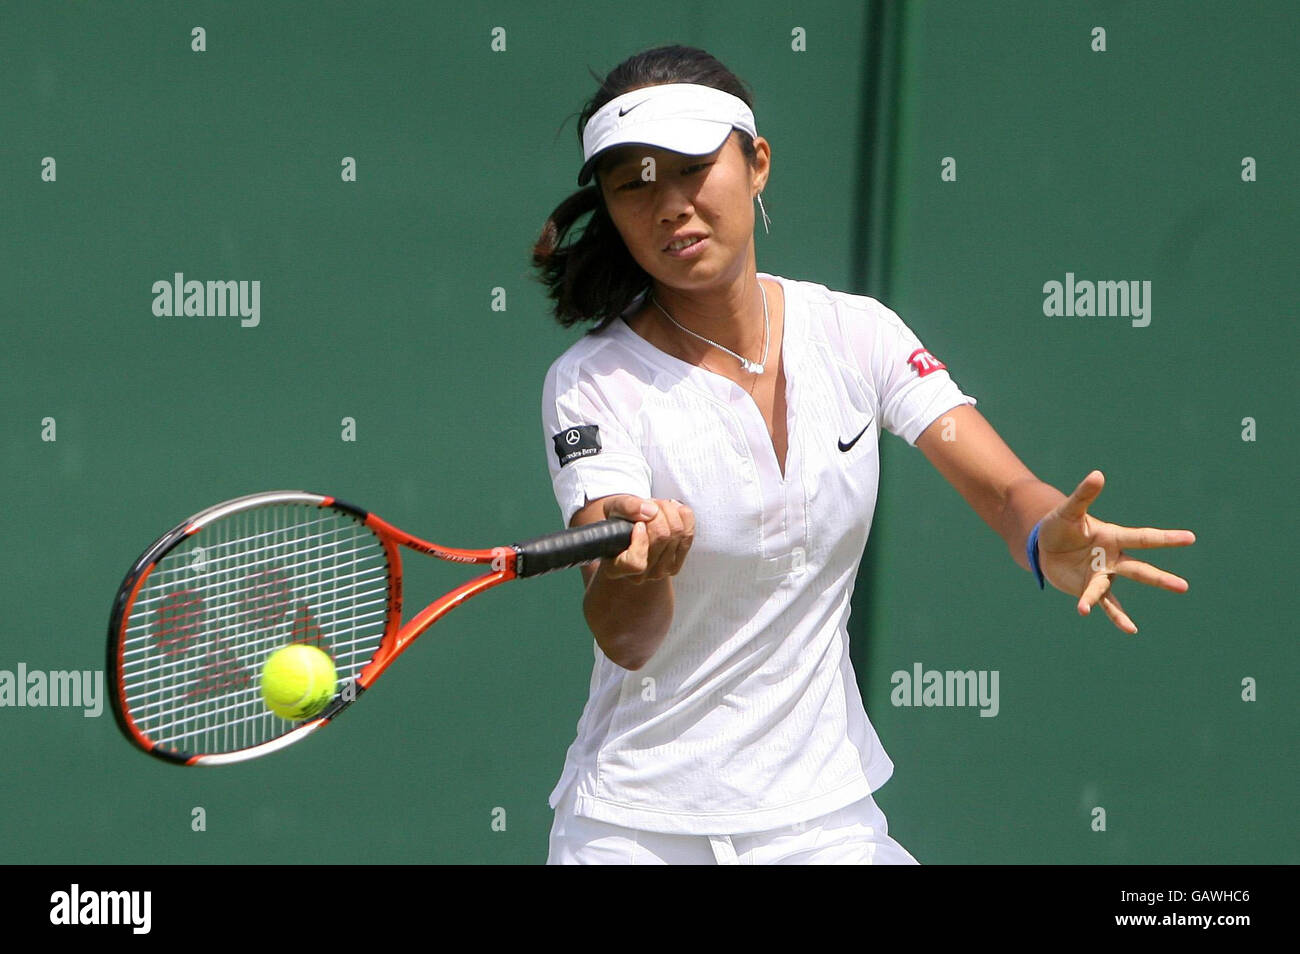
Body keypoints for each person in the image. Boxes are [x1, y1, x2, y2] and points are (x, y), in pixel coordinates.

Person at [529, 45, 1195, 865]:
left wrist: (1043, 536)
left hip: (825, 824)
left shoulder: (858, 334)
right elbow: (626, 638)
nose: (669, 204)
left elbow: (1002, 488)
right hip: (633, 833)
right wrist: (640, 571)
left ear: (757, 163)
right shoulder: (591, 384)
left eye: (694, 167)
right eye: (634, 182)